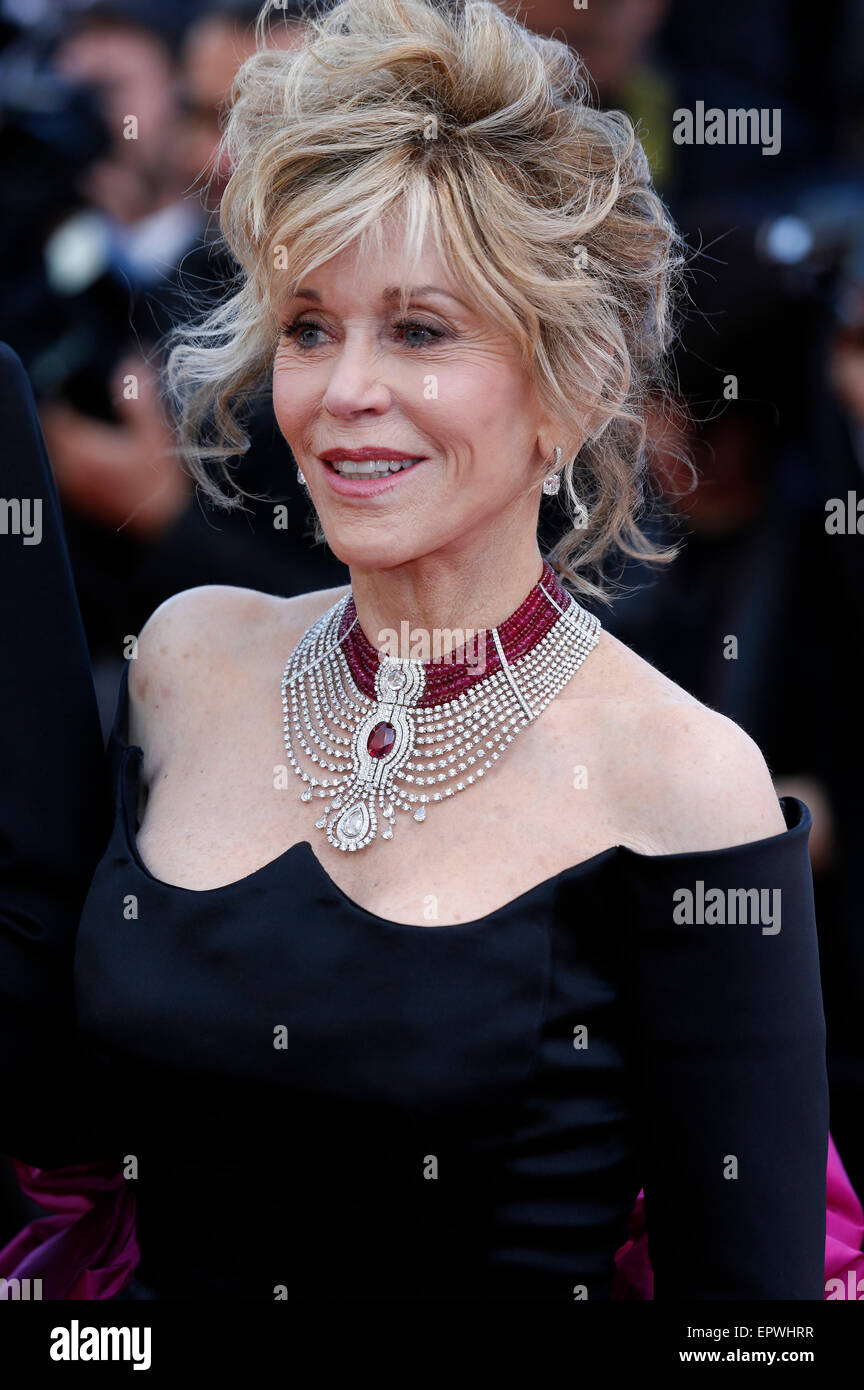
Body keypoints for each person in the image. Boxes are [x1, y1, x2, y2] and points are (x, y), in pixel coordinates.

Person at [2, 0, 859, 1301]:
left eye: (417, 329)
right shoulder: (185, 661)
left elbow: (751, 1318)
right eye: (306, 325)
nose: (344, 389)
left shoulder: (686, 782)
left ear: (569, 384)